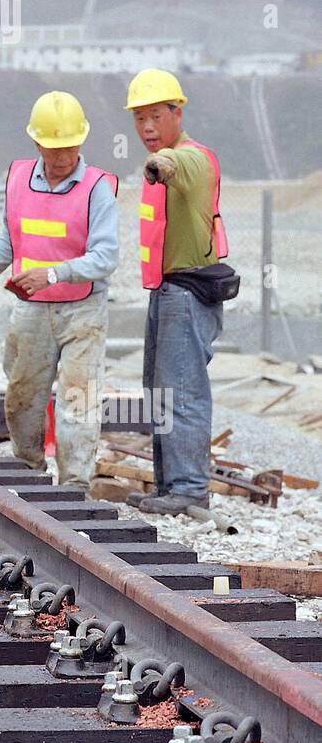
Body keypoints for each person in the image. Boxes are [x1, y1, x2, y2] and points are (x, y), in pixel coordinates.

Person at [0, 91, 119, 490]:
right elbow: (11, 240)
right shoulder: (18, 180)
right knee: (23, 394)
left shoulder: (98, 187)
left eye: (70, 146)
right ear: (36, 142)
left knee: (77, 398)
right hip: (31, 309)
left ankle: (75, 486)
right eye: (53, 147)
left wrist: (55, 274)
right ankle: (28, 474)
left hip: (83, 310)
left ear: (82, 141)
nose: (62, 156)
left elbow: (106, 256)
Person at [124, 69, 231, 513]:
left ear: (177, 112)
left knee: (181, 389)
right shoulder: (171, 155)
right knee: (161, 389)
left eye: (155, 117)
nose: (147, 128)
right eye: (140, 119)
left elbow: (175, 166)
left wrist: (160, 163)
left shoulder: (191, 158)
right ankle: (170, 487)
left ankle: (189, 489)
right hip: (167, 291)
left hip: (186, 293)